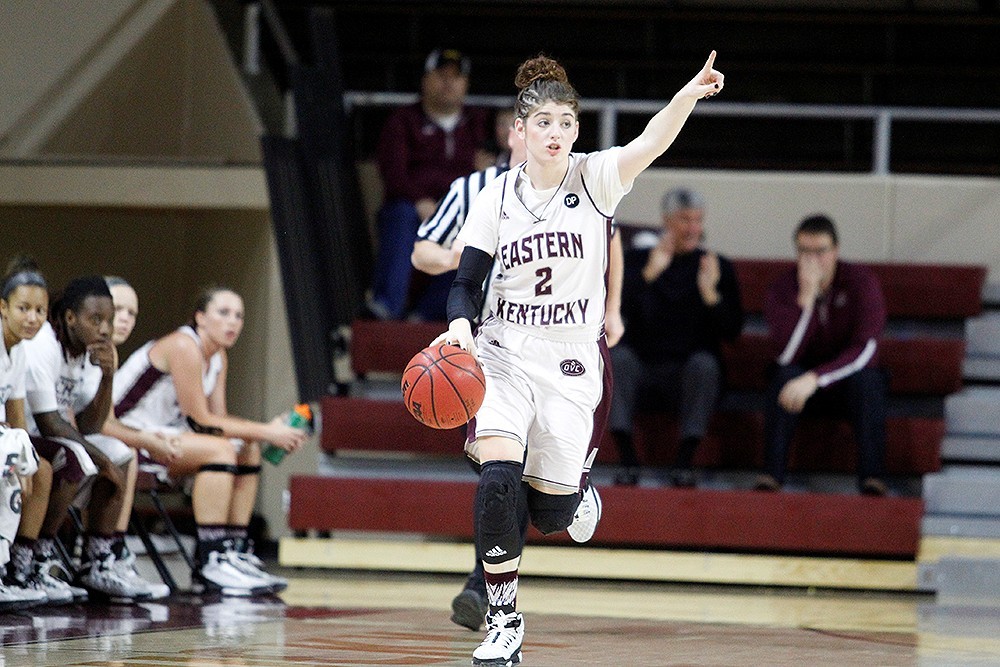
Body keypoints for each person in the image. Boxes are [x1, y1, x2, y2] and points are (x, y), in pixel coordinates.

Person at [433, 51, 723, 665]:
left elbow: (653, 140)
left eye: (567, 122)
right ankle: (503, 620)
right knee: (497, 478)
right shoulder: (494, 198)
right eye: (545, 122)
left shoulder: (596, 178)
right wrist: (459, 327)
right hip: (505, 351)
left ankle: (578, 491)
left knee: (549, 513)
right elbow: (466, 282)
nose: (557, 133)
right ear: (522, 129)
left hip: (571, 360)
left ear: (576, 131)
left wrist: (687, 97)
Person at [112, 286, 309, 595]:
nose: (233, 322)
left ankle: (234, 550)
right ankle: (211, 556)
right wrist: (267, 431)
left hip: (168, 438)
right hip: (129, 438)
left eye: (239, 316)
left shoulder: (218, 357)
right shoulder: (183, 346)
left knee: (246, 448)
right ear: (200, 318)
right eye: (224, 313)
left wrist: (263, 431)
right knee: (222, 449)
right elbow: (201, 421)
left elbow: (221, 422)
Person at [20, 275, 155, 602]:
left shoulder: (90, 353)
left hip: (53, 440)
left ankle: (98, 560)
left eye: (109, 320)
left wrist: (107, 377)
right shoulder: (44, 344)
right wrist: (100, 459)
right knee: (78, 456)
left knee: (120, 453)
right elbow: (49, 422)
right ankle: (36, 560)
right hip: (24, 433)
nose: (106, 329)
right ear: (70, 318)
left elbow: (91, 424)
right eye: (96, 320)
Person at [609, 188, 743, 487]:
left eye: (698, 220)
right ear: (666, 221)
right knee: (617, 359)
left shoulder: (716, 266)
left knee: (705, 365)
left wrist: (711, 295)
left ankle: (684, 461)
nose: (693, 228)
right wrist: (650, 273)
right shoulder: (636, 261)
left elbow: (732, 331)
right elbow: (614, 313)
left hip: (688, 374)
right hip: (642, 367)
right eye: (685, 220)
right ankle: (627, 459)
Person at [755, 214, 889, 496]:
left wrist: (817, 378)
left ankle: (872, 478)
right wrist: (805, 301)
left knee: (869, 381)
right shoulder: (783, 288)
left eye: (821, 251)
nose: (813, 260)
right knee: (782, 376)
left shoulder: (861, 282)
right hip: (800, 383)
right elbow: (785, 355)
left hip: (844, 380)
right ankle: (771, 475)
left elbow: (866, 349)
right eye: (804, 251)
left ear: (836, 250)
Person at [367, 48, 492, 321]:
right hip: (414, 207)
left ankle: (429, 313)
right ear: (425, 80)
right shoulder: (403, 121)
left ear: (466, 84)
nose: (448, 82)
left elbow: (491, 172)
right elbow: (394, 174)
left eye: (456, 77)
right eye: (441, 75)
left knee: (479, 231)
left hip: (459, 209)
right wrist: (420, 201)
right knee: (401, 215)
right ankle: (387, 306)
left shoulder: (478, 123)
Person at [0, 262, 55, 608]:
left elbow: (16, 415)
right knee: (9, 469)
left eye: (40, 310)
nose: (32, 318)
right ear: (3, 307)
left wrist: (26, 458)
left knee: (41, 470)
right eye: (24, 308)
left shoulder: (19, 350)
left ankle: (19, 569)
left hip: (3, 439)